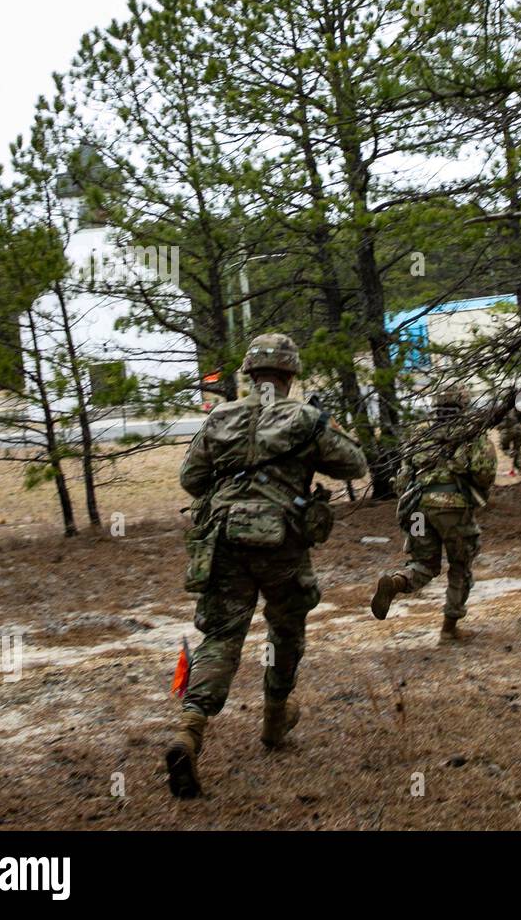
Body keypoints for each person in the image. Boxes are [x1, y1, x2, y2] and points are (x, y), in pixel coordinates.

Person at [168, 333, 367, 799]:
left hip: (224, 542)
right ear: (291, 373)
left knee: (220, 638)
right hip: (282, 545)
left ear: (248, 373)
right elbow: (355, 464)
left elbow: (190, 479)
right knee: (285, 630)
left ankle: (190, 730)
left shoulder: (220, 416)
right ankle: (275, 720)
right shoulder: (305, 418)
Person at [369, 384, 497, 642]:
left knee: (424, 564)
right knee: (461, 566)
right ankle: (449, 630)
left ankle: (395, 583)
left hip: (418, 509)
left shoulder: (419, 432)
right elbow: (485, 472)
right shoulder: (471, 431)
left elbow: (403, 476)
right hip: (452, 509)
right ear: (463, 404)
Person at [498, 405, 521, 475]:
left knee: (503, 447)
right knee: (518, 449)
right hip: (517, 430)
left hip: (505, 432)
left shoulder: (498, 410)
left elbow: (494, 422)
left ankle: (510, 453)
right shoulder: (515, 408)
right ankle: (520, 470)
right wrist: (518, 424)